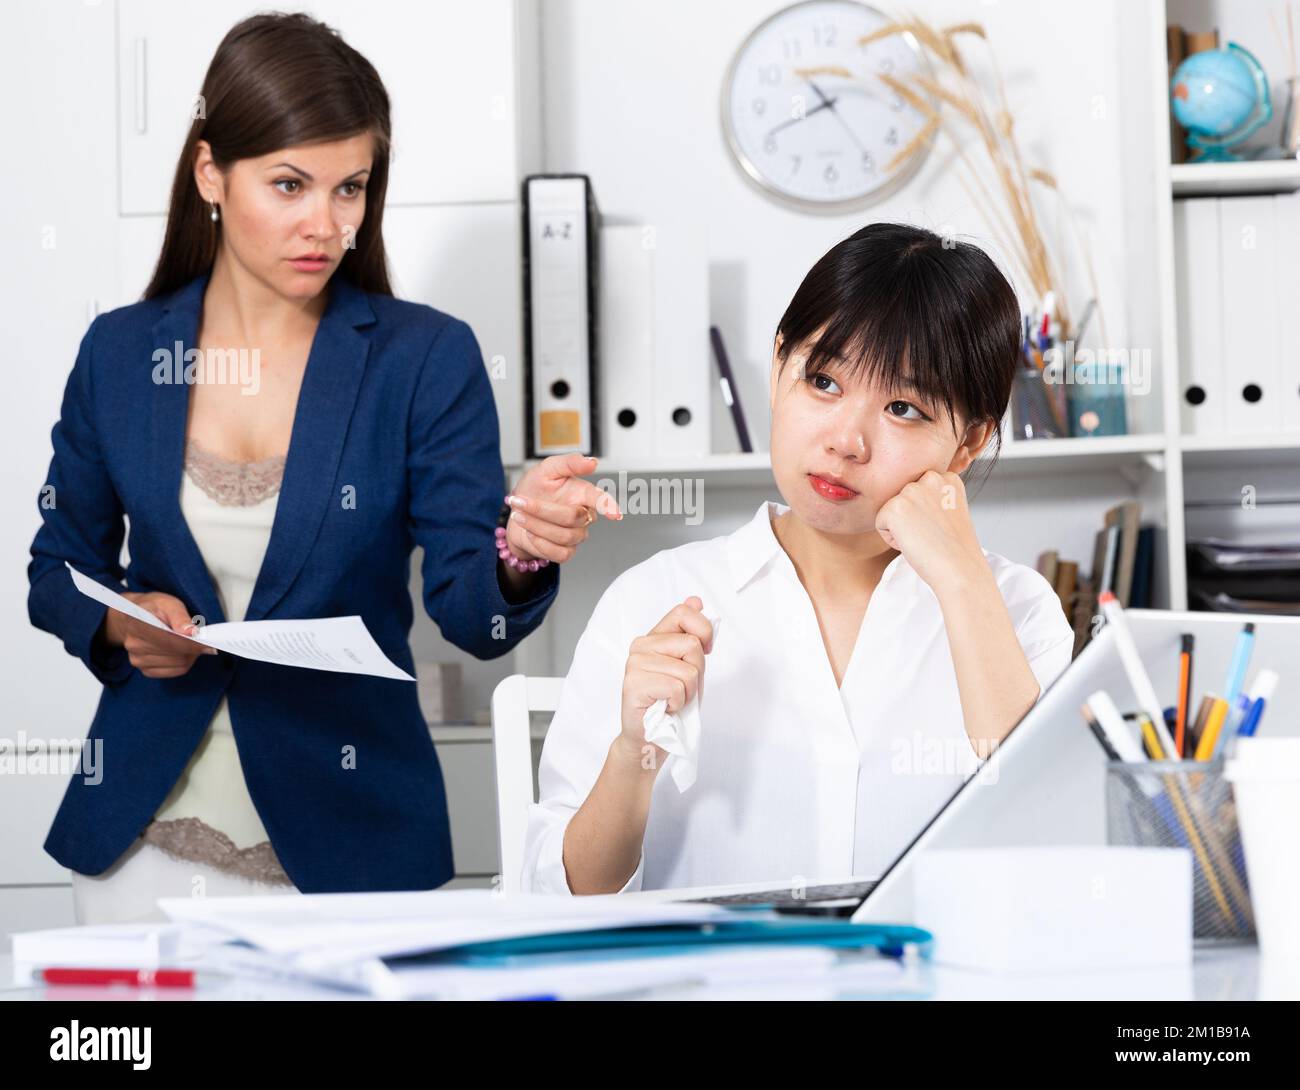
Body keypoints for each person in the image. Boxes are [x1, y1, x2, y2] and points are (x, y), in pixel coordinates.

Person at [27, 12, 617, 924]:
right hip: (138, 844)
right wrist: (122, 628)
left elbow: (473, 611)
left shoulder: (423, 358)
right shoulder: (121, 352)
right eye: (290, 185)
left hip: (353, 845)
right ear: (210, 172)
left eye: (351, 188)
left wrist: (523, 549)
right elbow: (56, 568)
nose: (326, 224)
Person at [522, 222, 1076, 895]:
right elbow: (559, 897)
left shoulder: (1016, 609)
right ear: (779, 367)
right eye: (823, 381)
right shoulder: (655, 598)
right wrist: (633, 754)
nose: (847, 440)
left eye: (903, 407)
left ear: (967, 444)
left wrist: (963, 584)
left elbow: (1052, 863)